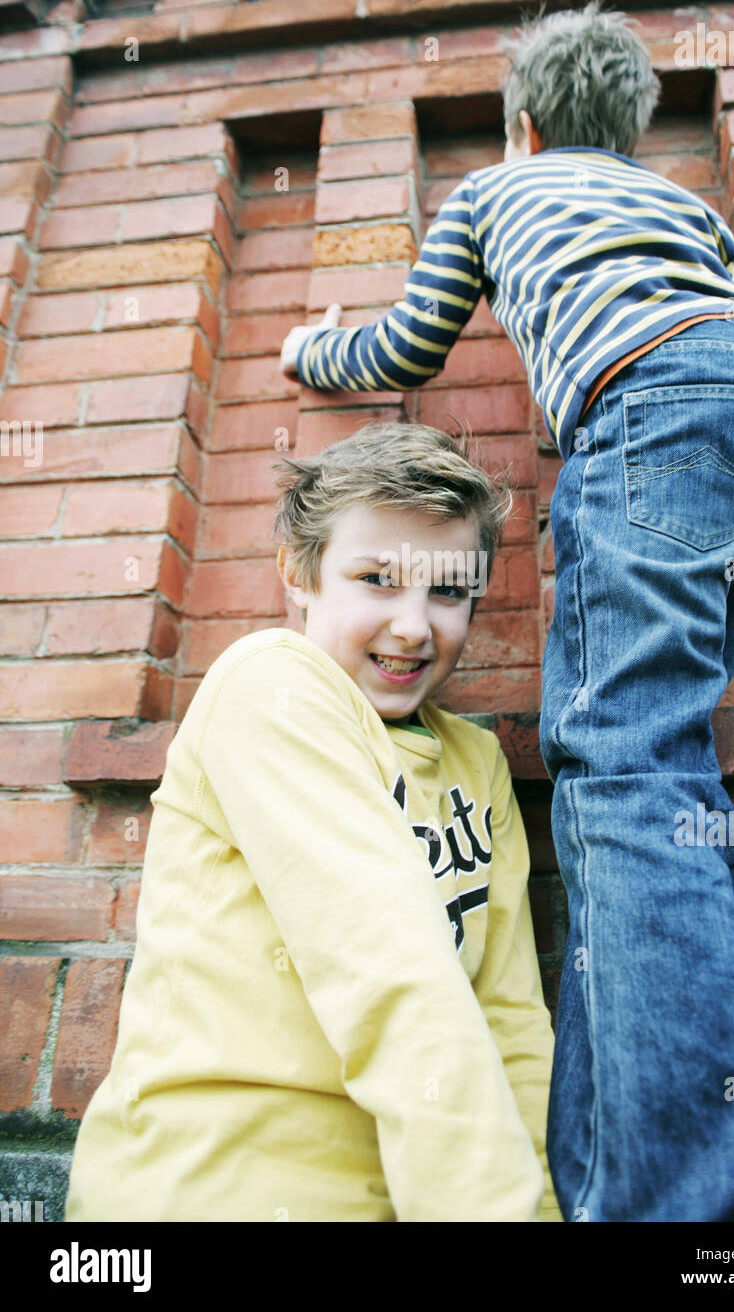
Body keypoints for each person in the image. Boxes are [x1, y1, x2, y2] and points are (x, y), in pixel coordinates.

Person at [280, 0, 734, 1222]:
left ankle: (676, 1192)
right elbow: (712, 330)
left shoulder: (495, 194)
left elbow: (410, 343)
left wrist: (314, 349)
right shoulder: (684, 209)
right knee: (655, 761)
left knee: (614, 763)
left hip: (641, 410)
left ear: (524, 125)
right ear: (626, 123)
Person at [65, 421, 562, 1223]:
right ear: (299, 573)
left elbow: (508, 1020)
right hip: (209, 1192)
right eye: (376, 578)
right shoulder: (271, 685)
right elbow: (391, 971)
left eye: (447, 590)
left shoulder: (476, 763)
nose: (413, 626)